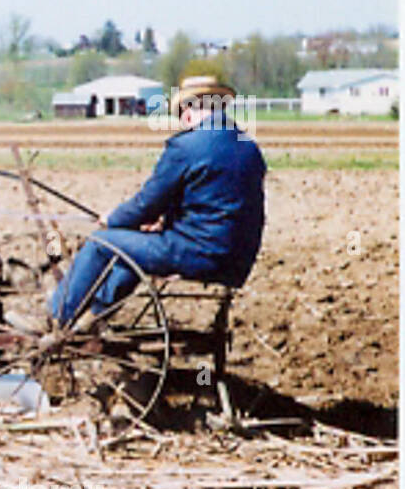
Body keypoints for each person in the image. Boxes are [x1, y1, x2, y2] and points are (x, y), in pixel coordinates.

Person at [49, 76, 266, 327]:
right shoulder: (248, 146)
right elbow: (215, 202)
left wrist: (112, 219)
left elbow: (147, 203)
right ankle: (95, 316)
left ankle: (57, 318)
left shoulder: (187, 146)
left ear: (191, 108)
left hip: (196, 252)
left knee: (100, 243)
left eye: (181, 113)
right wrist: (165, 224)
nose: (182, 121)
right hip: (236, 259)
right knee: (131, 249)